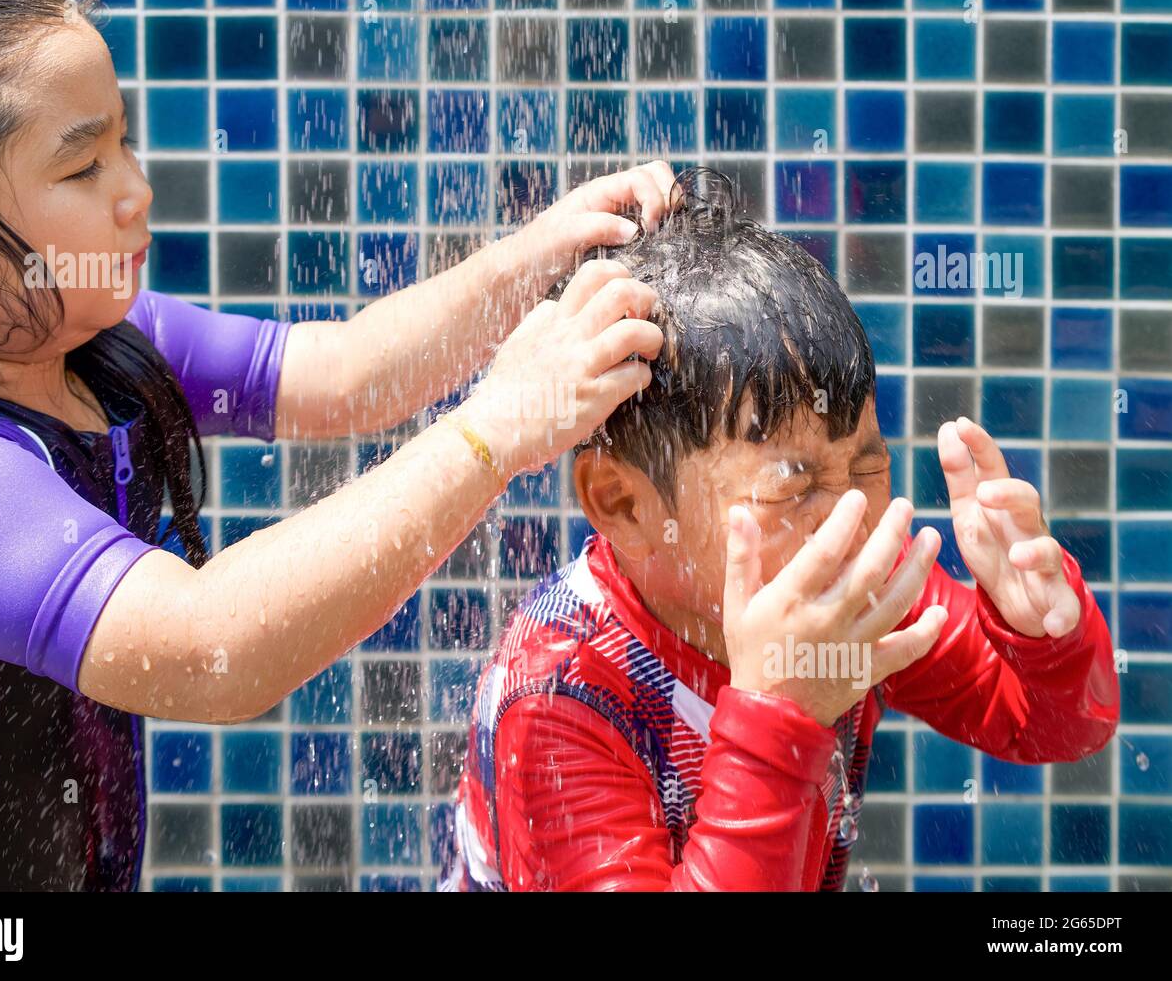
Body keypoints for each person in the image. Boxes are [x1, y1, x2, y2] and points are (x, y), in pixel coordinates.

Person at [0, 0, 674, 890]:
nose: (136, 189)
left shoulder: (91, 340)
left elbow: (347, 374)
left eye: (124, 144)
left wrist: (537, 255)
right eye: (81, 165)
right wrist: (499, 423)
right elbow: (210, 649)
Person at [440, 166, 1120, 892]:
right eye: (794, 485)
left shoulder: (852, 592)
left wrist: (1039, 637)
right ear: (625, 506)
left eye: (866, 466)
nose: (850, 519)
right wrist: (780, 715)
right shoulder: (562, 694)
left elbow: (1057, 728)